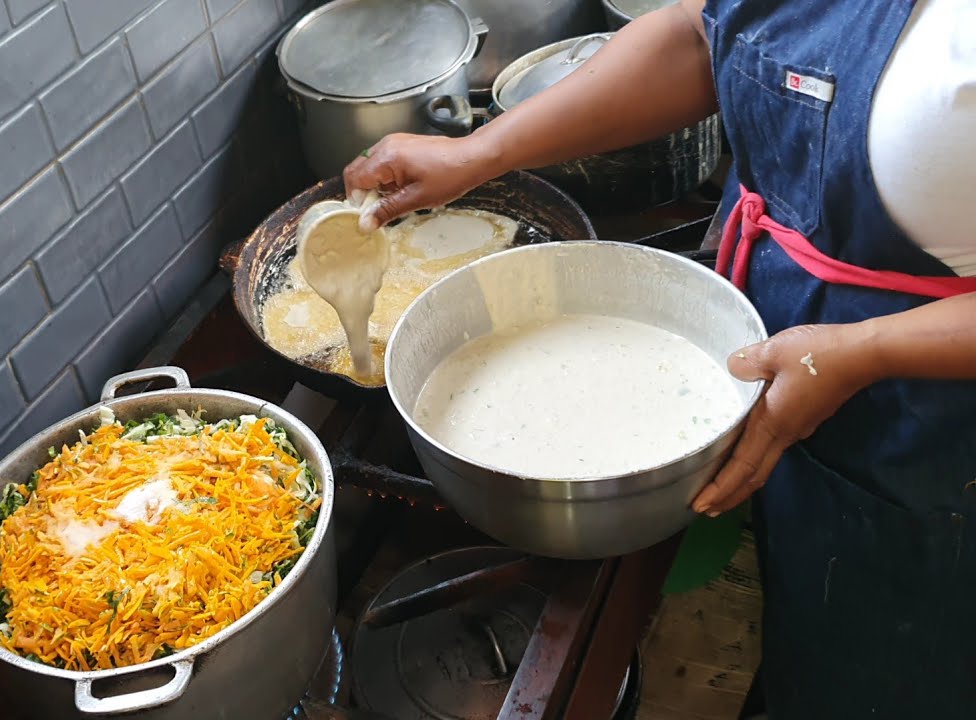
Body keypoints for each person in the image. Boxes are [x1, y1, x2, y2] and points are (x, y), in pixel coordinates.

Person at [342, 0, 976, 717]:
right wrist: (479, 152)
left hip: (929, 415)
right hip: (783, 317)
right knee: (803, 584)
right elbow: (702, 38)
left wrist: (864, 351)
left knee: (885, 656)